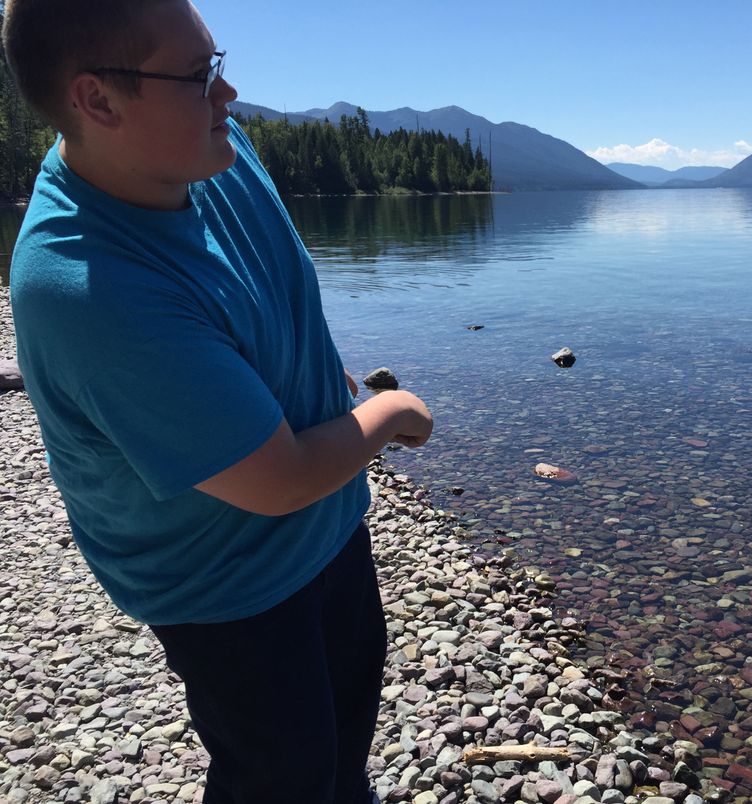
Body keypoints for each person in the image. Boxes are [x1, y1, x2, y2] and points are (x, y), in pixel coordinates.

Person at [3, 1, 434, 801]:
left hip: (330, 522)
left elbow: (274, 291)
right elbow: (275, 484)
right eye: (198, 75)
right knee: (281, 771)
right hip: (223, 581)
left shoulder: (209, 151)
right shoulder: (88, 288)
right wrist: (390, 413)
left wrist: (324, 375)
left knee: (346, 730)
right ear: (98, 101)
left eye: (217, 62)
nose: (228, 93)